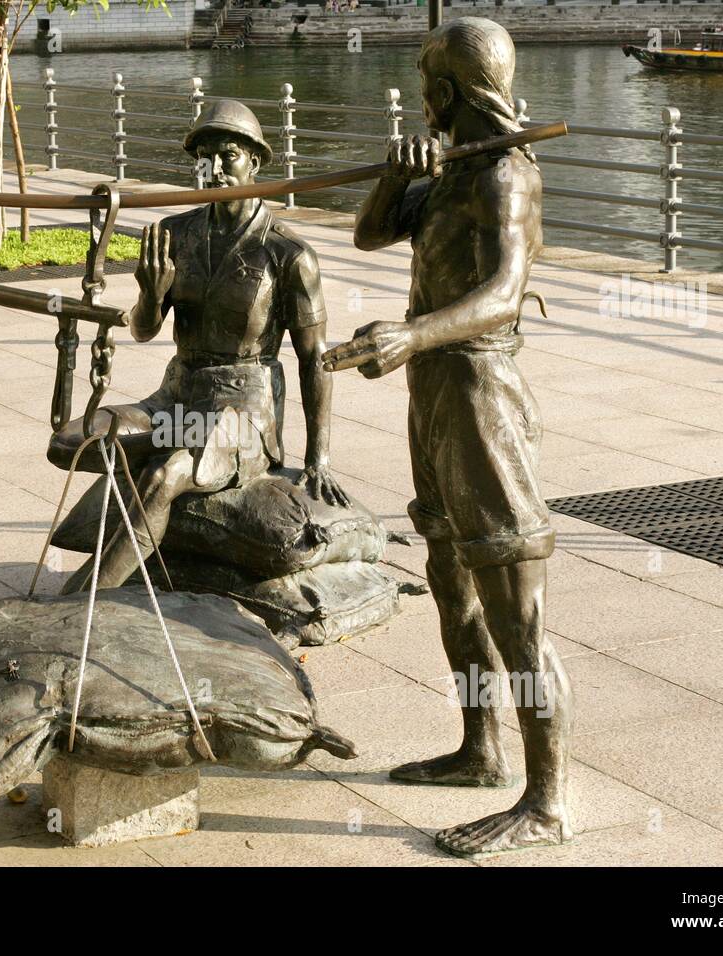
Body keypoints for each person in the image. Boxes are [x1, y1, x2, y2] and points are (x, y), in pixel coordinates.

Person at [323, 17, 572, 857]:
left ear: (446, 92)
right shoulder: (450, 171)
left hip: (480, 394)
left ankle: (545, 802)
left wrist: (411, 336)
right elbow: (369, 233)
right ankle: (480, 747)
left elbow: (504, 294)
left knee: (515, 603)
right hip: (433, 392)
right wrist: (394, 180)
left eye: (425, 84)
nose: (420, 100)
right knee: (448, 576)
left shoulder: (505, 175)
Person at [48, 100, 347, 593]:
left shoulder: (288, 254)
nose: (214, 167)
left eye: (227, 154)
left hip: (244, 411)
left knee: (163, 477)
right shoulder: (174, 235)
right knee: (68, 442)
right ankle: (145, 532)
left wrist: (319, 459)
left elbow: (315, 359)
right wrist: (151, 291)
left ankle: (79, 601)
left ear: (256, 161)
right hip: (177, 398)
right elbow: (145, 330)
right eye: (204, 156)